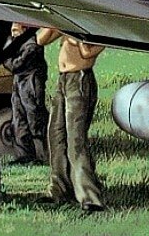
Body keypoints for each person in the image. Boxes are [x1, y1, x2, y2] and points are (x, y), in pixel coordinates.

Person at [40, 27, 106, 211]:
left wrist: (74, 35)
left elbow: (86, 53)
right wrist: (54, 24)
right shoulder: (68, 25)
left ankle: (90, 197)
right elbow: (41, 40)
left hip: (79, 80)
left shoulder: (97, 29)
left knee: (75, 140)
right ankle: (59, 189)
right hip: (63, 80)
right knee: (56, 134)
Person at [1, 23, 49, 164]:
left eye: (16, 31)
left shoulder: (31, 46)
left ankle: (42, 156)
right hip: (20, 84)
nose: (14, 34)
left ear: (25, 30)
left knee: (35, 119)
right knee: (19, 119)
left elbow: (16, 65)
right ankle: (24, 155)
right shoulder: (20, 45)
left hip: (31, 84)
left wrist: (5, 55)